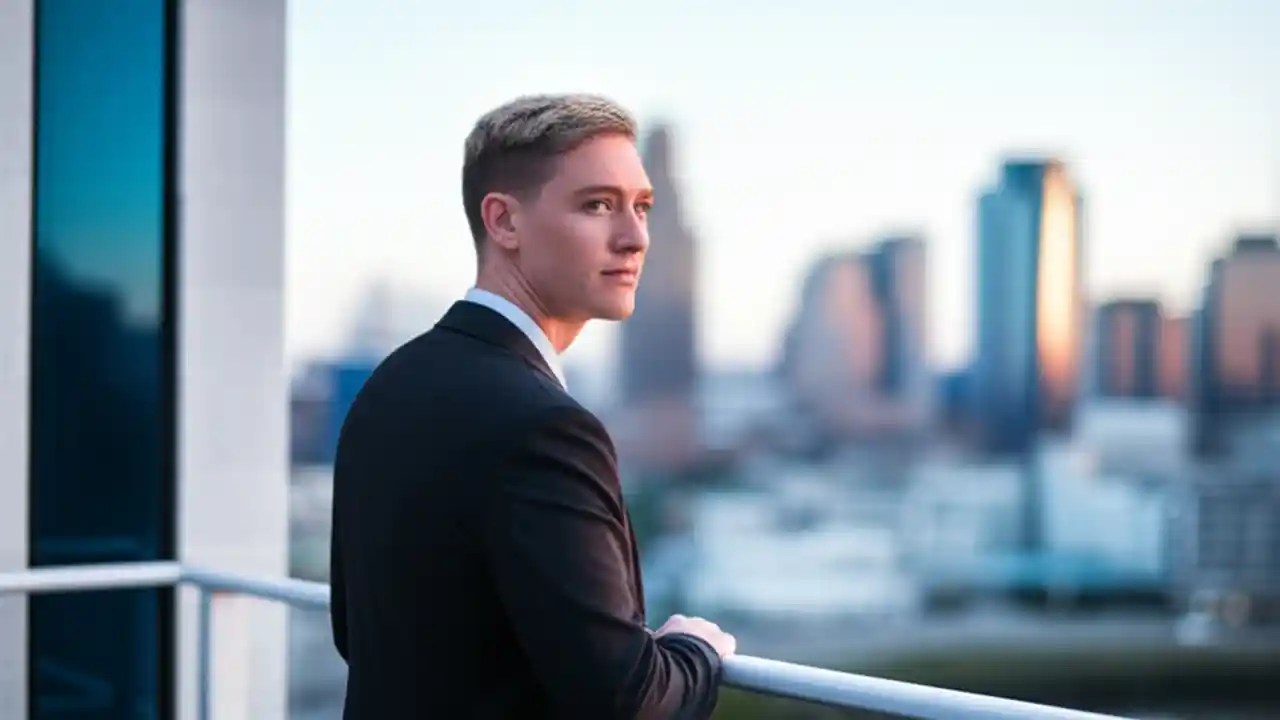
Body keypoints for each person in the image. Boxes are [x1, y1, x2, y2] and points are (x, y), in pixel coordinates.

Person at [329, 94, 735, 719]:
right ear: (504, 222)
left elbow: (355, 632)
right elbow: (631, 702)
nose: (635, 238)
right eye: (597, 205)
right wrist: (694, 650)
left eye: (642, 207)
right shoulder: (546, 427)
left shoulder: (390, 384)